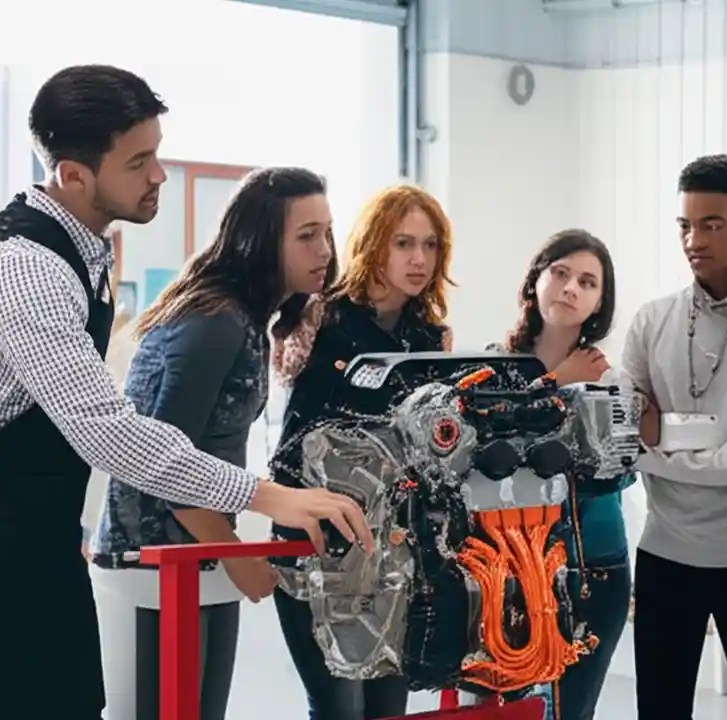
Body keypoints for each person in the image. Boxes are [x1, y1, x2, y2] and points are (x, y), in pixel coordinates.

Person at [0, 64, 369, 720]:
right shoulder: (29, 268)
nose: (159, 176)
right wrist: (266, 496)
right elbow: (110, 431)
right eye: (138, 162)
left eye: (157, 154)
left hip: (41, 541)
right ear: (73, 175)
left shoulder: (85, 255)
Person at [89, 167, 336, 720]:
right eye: (306, 235)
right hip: (153, 562)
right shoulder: (214, 320)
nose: (324, 250)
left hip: (199, 554)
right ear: (260, 240)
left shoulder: (243, 317)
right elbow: (163, 464)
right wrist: (235, 555)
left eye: (327, 232)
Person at [271, 183, 455, 720]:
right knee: (339, 705)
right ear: (375, 243)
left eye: (430, 245)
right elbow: (291, 434)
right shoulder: (320, 317)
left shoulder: (432, 338)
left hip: (394, 549)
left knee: (388, 706)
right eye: (404, 243)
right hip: (315, 538)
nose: (419, 259)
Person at [621, 154, 727, 720]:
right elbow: (625, 435)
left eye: (712, 225)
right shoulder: (651, 320)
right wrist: (723, 444)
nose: (694, 241)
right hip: (665, 552)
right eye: (685, 226)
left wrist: (662, 446)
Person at [489, 229, 634, 720]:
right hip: (508, 566)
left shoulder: (609, 378)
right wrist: (556, 384)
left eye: (588, 283)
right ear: (536, 280)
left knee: (572, 711)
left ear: (599, 303)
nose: (571, 288)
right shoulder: (492, 367)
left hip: (595, 566)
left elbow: (617, 472)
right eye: (561, 273)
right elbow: (488, 456)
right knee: (506, 709)